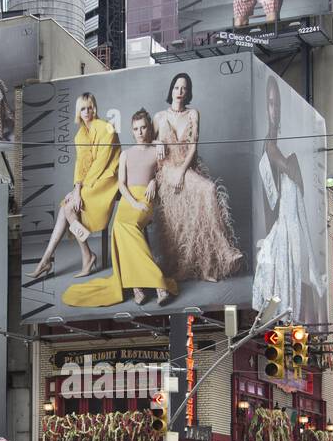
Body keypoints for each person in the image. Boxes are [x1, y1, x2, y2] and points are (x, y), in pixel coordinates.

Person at [62, 109, 177, 308]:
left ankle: (152, 286)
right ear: (132, 132)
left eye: (143, 128)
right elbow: (121, 185)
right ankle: (140, 288)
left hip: (146, 198)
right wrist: (133, 202)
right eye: (136, 129)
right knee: (119, 228)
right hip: (129, 199)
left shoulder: (157, 150)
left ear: (149, 128)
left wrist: (154, 182)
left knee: (127, 228)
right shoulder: (125, 154)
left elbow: (165, 172)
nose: (140, 132)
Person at [153, 73, 244, 283]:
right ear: (171, 90)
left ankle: (217, 256)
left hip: (185, 167)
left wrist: (182, 171)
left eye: (184, 88)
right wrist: (156, 143)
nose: (180, 91)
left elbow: (193, 147)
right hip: (166, 168)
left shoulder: (193, 114)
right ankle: (220, 253)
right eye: (176, 87)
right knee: (204, 193)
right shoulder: (158, 117)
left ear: (188, 92)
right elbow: (145, 141)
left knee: (208, 190)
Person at [30, 93, 119, 281]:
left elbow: (100, 165)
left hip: (107, 179)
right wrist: (77, 189)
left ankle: (81, 256)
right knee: (67, 207)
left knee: (68, 207)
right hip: (90, 181)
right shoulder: (80, 135)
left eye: (89, 107)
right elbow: (80, 165)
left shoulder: (106, 128)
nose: (86, 112)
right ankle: (49, 259)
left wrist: (80, 190)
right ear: (78, 111)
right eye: (82, 108)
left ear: (94, 107)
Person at [252, 75, 320, 323]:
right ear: (265, 106)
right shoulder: (269, 146)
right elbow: (289, 168)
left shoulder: (275, 146)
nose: (275, 109)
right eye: (271, 103)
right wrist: (292, 164)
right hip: (277, 247)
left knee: (291, 309)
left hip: (286, 246)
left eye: (277, 103)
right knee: (288, 306)